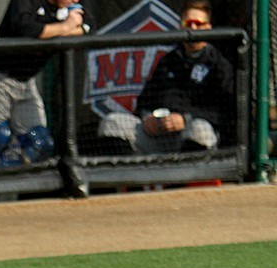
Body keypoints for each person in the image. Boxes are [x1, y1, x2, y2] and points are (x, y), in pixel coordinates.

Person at [97, 0, 233, 154]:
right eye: (187, 23)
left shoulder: (219, 64)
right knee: (112, 123)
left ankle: (186, 177)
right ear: (180, 26)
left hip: (190, 133)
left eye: (198, 23)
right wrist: (147, 118)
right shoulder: (169, 60)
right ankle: (131, 176)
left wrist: (185, 119)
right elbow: (145, 100)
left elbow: (225, 112)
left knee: (200, 129)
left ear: (208, 27)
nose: (193, 29)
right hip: (159, 136)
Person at [0, 0, 93, 167]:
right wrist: (66, 27)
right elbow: (25, 28)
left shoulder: (70, 5)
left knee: (40, 143)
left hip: (26, 81)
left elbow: (89, 27)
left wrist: (58, 30)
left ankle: (2, 183)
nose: (76, 1)